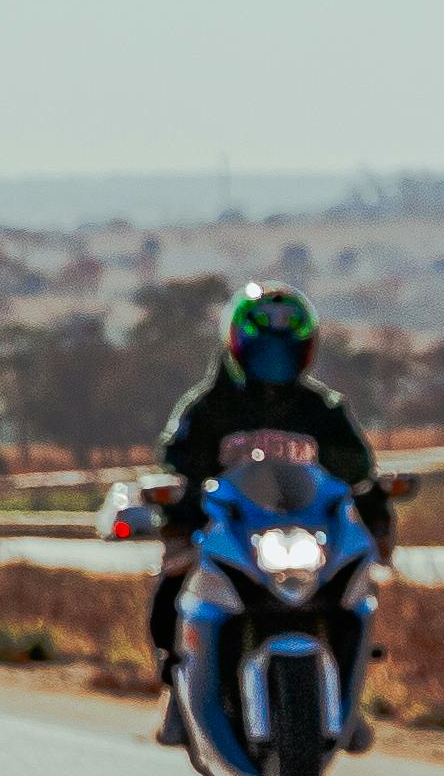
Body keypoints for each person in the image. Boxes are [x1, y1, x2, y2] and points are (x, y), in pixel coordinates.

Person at [143, 282, 397, 728]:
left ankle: (347, 696)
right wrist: (180, 504)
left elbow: (358, 467)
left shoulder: (321, 409)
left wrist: (374, 500)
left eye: (285, 348)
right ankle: (176, 679)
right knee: (172, 585)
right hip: (229, 531)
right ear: (236, 347)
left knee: (353, 594)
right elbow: (176, 461)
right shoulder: (207, 408)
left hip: (307, 535)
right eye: (262, 348)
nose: (273, 359)